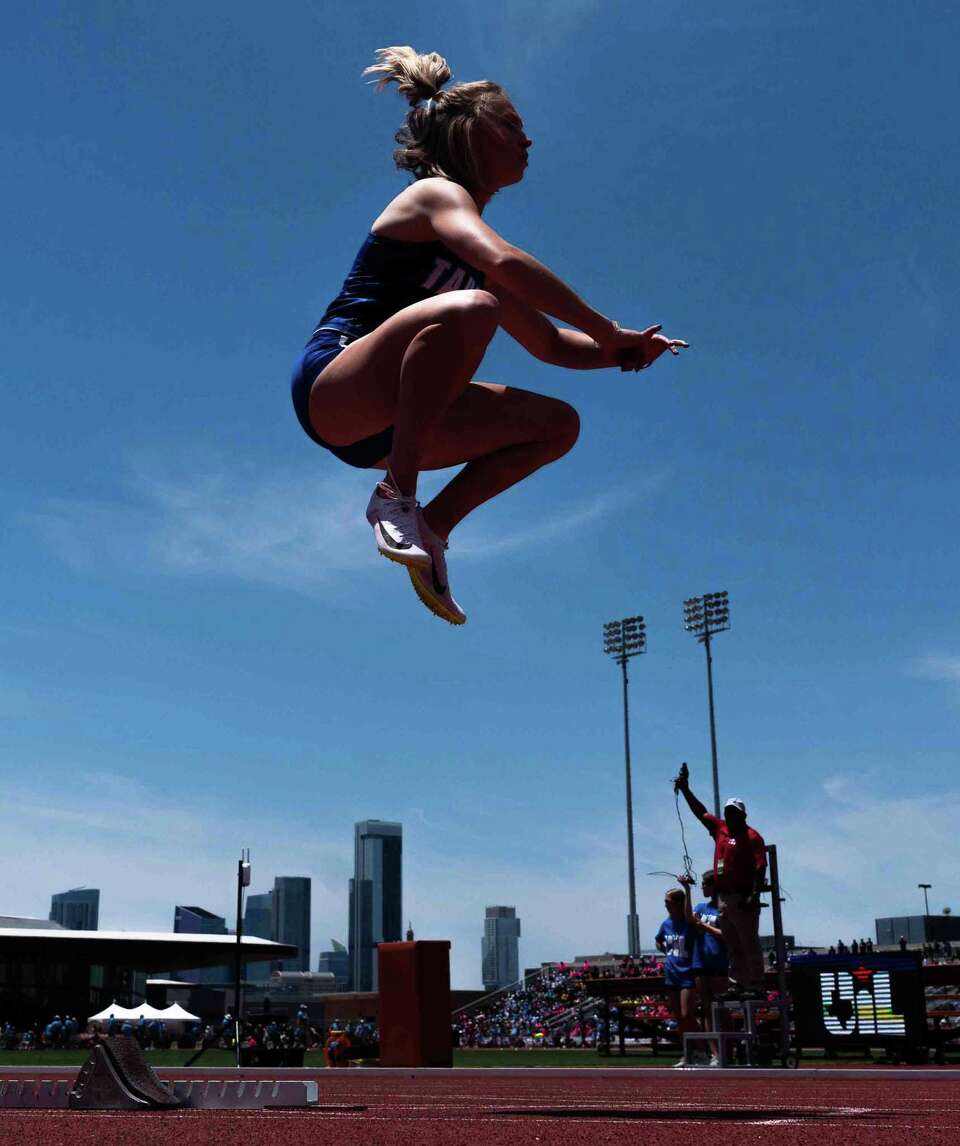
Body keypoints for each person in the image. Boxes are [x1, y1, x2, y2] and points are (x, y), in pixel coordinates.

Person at [290, 46, 688, 625]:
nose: (528, 140)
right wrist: (608, 328)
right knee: (474, 307)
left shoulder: (479, 265)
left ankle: (432, 527)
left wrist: (621, 354)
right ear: (471, 130)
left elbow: (550, 346)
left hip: (394, 426)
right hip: (336, 386)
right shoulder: (434, 197)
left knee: (557, 426)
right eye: (513, 125)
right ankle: (396, 496)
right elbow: (501, 259)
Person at [674, 764, 767, 999]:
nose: (729, 815)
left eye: (734, 812)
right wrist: (685, 789)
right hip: (724, 898)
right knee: (733, 945)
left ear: (743, 815)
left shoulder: (752, 836)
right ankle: (737, 984)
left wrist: (753, 895)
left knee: (749, 943)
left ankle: (756, 985)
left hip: (741, 896)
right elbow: (700, 812)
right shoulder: (721, 830)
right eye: (727, 811)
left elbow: (760, 866)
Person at [655, 886, 702, 1067]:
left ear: (678, 903)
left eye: (668, 902)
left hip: (687, 972)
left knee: (687, 1014)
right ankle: (687, 1053)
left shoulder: (689, 922)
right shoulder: (666, 924)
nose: (666, 906)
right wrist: (664, 949)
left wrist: (687, 890)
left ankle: (701, 1050)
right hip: (671, 973)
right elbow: (659, 940)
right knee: (679, 1017)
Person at [686, 869, 728, 1068]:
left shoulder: (722, 908)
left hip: (718, 963)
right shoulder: (700, 907)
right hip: (700, 963)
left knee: (721, 1009)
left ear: (714, 886)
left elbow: (726, 934)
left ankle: (727, 1050)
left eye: (705, 884)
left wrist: (704, 926)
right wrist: (686, 889)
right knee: (707, 1010)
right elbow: (688, 918)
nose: (702, 887)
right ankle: (715, 1053)